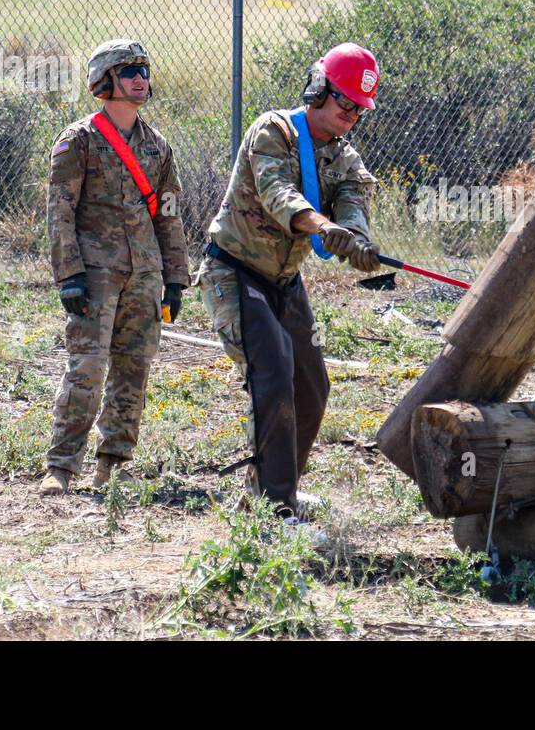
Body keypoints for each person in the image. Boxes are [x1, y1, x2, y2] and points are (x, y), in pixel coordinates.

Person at [198, 42, 381, 520]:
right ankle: (274, 513)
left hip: (283, 280)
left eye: (359, 108)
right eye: (344, 102)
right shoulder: (273, 131)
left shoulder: (343, 155)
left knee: (311, 383)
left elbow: (353, 199)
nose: (351, 115)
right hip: (235, 271)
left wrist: (357, 238)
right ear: (319, 89)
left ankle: (275, 489)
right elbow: (279, 194)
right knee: (273, 373)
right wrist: (324, 228)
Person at [41, 39, 189, 495]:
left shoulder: (157, 147)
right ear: (104, 82)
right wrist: (69, 274)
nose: (141, 79)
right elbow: (59, 210)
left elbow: (168, 214)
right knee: (85, 368)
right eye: (129, 71)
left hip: (144, 276)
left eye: (144, 70)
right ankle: (62, 467)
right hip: (96, 275)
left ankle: (113, 464)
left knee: (133, 370)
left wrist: (175, 278)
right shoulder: (78, 140)